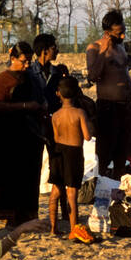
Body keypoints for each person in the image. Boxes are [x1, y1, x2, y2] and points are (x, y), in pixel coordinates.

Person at [0, 41, 47, 229]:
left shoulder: (31, 78)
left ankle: (26, 214)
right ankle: (7, 214)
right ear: (13, 59)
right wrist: (25, 106)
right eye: (23, 61)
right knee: (9, 174)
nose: (27, 65)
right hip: (9, 133)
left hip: (30, 133)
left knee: (29, 175)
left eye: (29, 62)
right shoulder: (3, 79)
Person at [85, 10, 131, 179]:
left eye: (123, 31)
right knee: (105, 152)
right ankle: (102, 190)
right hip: (108, 106)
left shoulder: (121, 48)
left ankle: (118, 191)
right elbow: (92, 76)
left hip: (126, 106)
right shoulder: (94, 48)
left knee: (122, 152)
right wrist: (104, 52)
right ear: (107, 33)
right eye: (118, 33)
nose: (122, 36)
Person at [48, 77, 94, 241]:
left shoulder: (56, 115)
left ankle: (53, 228)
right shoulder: (79, 113)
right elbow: (88, 137)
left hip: (58, 152)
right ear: (76, 93)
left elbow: (55, 136)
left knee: (55, 191)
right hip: (74, 153)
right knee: (72, 193)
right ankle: (74, 229)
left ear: (58, 94)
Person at [28, 33, 67, 114]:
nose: (57, 51)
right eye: (53, 48)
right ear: (45, 51)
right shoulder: (29, 73)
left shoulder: (57, 72)